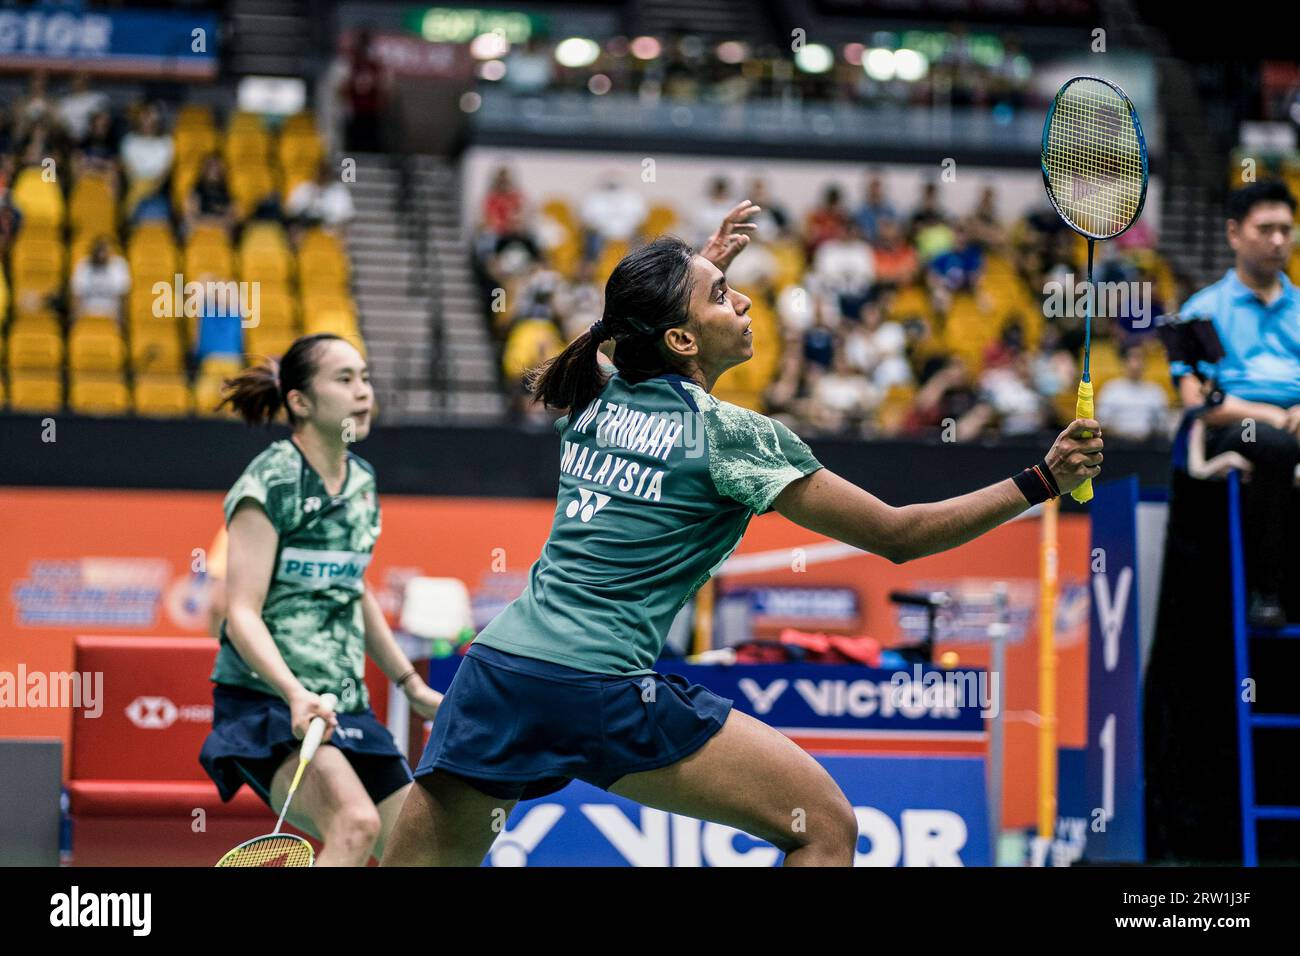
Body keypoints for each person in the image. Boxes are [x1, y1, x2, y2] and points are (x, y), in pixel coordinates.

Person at [380, 202, 1103, 867]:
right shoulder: (731, 436)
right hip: (599, 688)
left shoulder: (595, 392)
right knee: (825, 825)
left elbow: (624, 325)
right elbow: (898, 535)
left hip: (498, 676)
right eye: (723, 293)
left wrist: (699, 265)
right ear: (683, 337)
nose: (746, 299)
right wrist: (1042, 480)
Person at [199, 333, 444, 866]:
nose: (363, 391)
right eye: (345, 379)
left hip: (343, 704)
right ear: (300, 402)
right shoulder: (269, 483)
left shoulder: (361, 481)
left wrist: (411, 685)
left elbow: (353, 591)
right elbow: (239, 611)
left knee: (423, 852)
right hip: (269, 704)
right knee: (355, 823)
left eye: (365, 377)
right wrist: (292, 693)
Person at [1175, 179, 1300, 626]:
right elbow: (1198, 401)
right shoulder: (1199, 311)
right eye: (1265, 229)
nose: (1279, 240)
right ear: (1233, 233)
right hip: (1234, 426)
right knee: (1275, 444)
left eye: (1286, 229)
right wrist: (1265, 413)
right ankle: (1267, 590)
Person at [1096, 345, 1170, 441]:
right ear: (1123, 362)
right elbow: (1102, 423)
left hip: (1148, 446)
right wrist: (1124, 435)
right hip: (1117, 445)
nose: (1136, 364)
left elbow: (1162, 425)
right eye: (1132, 358)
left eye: (1140, 358)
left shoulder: (1155, 391)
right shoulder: (1110, 389)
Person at [70, 236, 131, 322]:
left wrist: (123, 319)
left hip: (112, 312)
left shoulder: (119, 265)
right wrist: (74, 319)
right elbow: (77, 295)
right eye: (99, 251)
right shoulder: (83, 265)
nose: (102, 255)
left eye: (105, 251)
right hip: (87, 311)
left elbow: (123, 295)